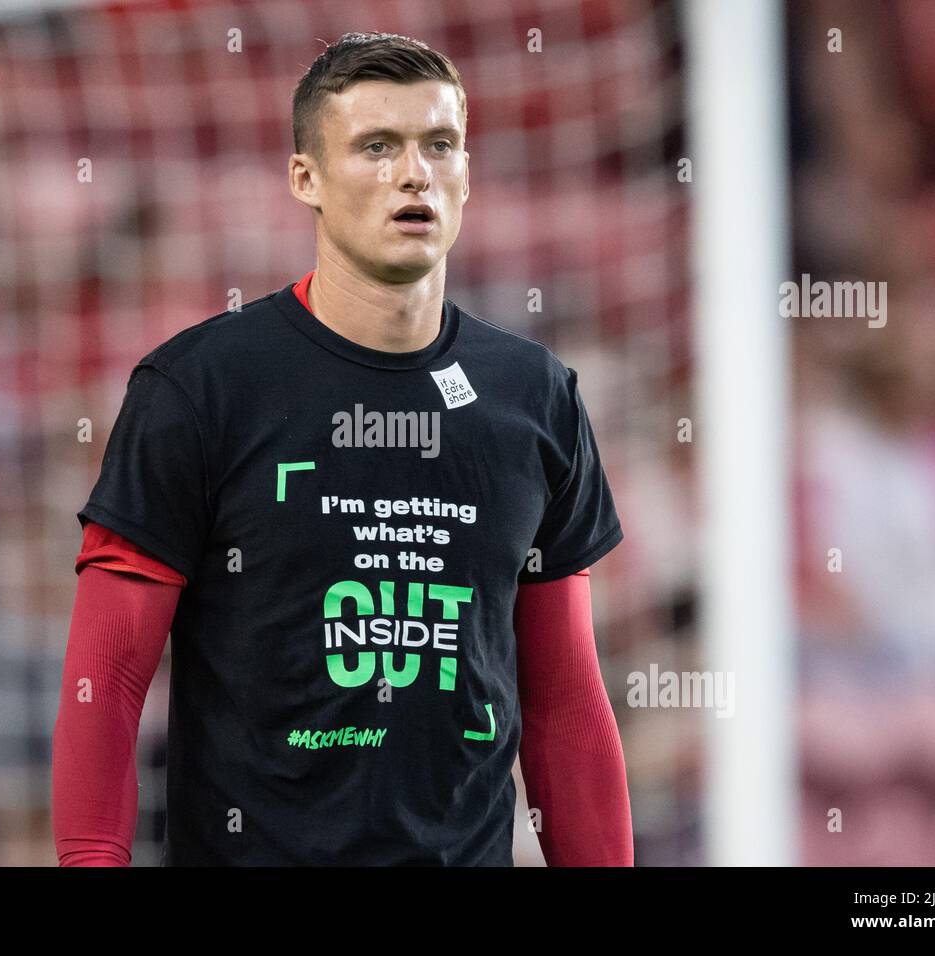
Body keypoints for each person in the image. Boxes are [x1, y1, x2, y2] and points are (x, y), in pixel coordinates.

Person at [52, 31, 631, 866]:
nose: (414, 173)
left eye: (439, 145)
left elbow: (567, 702)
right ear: (305, 180)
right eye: (376, 147)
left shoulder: (535, 398)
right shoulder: (201, 387)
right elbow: (104, 683)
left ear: (468, 173)